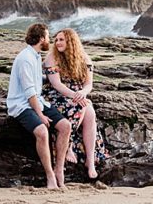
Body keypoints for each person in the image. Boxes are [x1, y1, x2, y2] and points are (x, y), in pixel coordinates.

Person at [6, 23, 71, 189]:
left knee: (65, 126)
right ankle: (49, 176)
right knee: (42, 130)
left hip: (38, 101)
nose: (49, 40)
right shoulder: (25, 58)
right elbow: (29, 93)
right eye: (48, 37)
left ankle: (59, 170)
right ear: (41, 38)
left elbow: (37, 85)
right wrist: (40, 115)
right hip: (21, 105)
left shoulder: (35, 56)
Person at [43, 28, 109, 179]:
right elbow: (56, 84)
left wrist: (82, 94)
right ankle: (69, 146)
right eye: (56, 40)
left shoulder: (84, 58)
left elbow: (89, 84)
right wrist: (75, 96)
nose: (58, 42)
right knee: (81, 105)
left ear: (71, 42)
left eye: (62, 39)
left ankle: (90, 161)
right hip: (55, 95)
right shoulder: (52, 58)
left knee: (90, 112)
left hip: (78, 95)